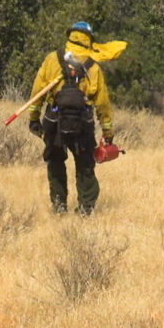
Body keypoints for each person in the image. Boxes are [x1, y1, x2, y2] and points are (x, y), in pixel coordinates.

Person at [26, 22, 127, 215]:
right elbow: (103, 103)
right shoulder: (93, 66)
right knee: (85, 165)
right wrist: (108, 132)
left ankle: (59, 206)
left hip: (54, 121)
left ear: (70, 36)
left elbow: (37, 91)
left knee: (55, 162)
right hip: (83, 124)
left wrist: (33, 118)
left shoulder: (52, 59)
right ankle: (85, 209)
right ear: (89, 39)